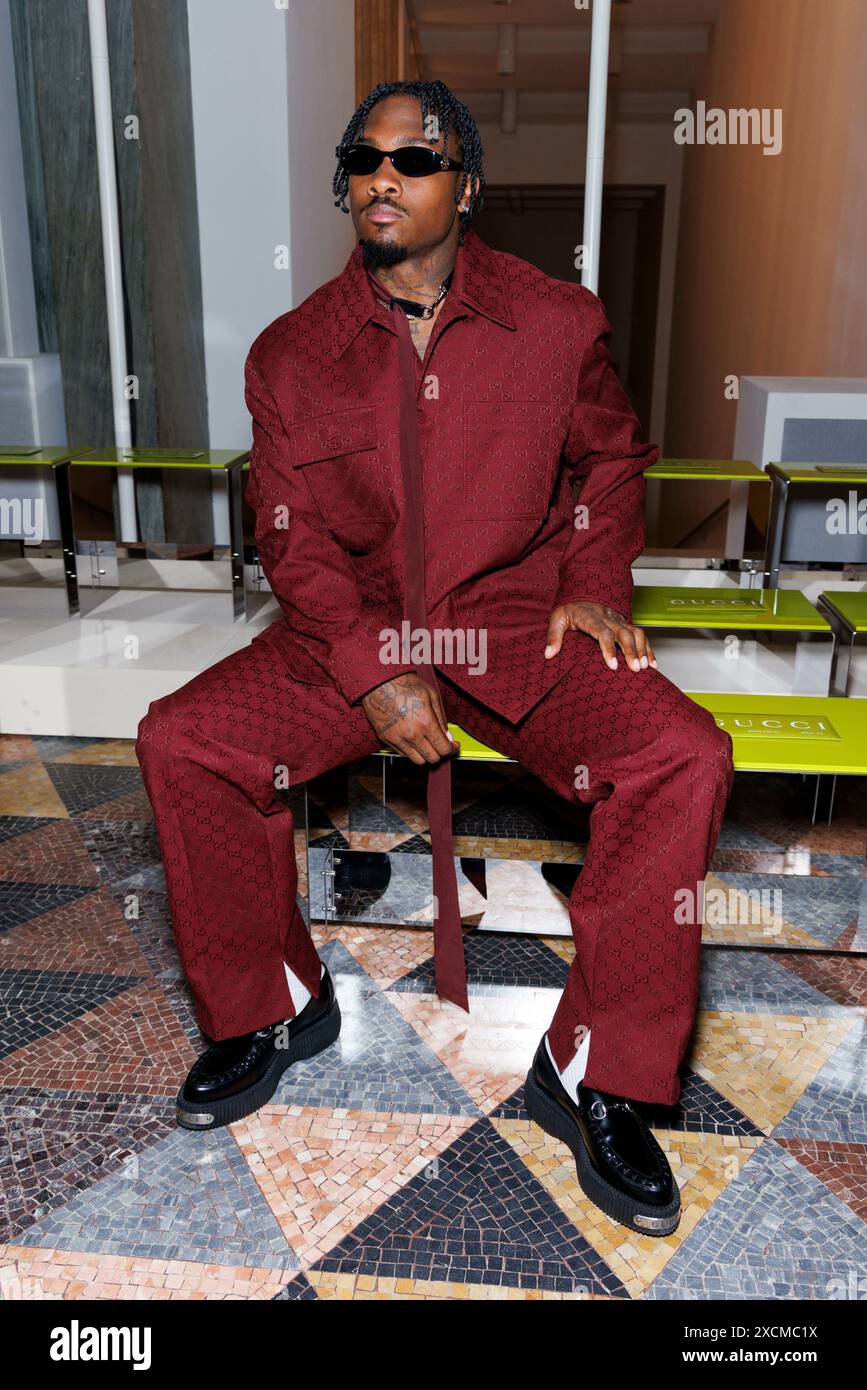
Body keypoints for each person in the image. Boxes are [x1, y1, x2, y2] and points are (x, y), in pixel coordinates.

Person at [136, 79, 734, 1238]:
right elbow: (290, 534)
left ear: (467, 183)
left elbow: (610, 467)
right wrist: (368, 666)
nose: (382, 178)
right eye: (363, 158)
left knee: (683, 756)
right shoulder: (290, 354)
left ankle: (597, 1071)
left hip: (519, 628)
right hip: (349, 634)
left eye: (414, 158)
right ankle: (272, 1007)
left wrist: (594, 583)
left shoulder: (559, 321)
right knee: (186, 738)